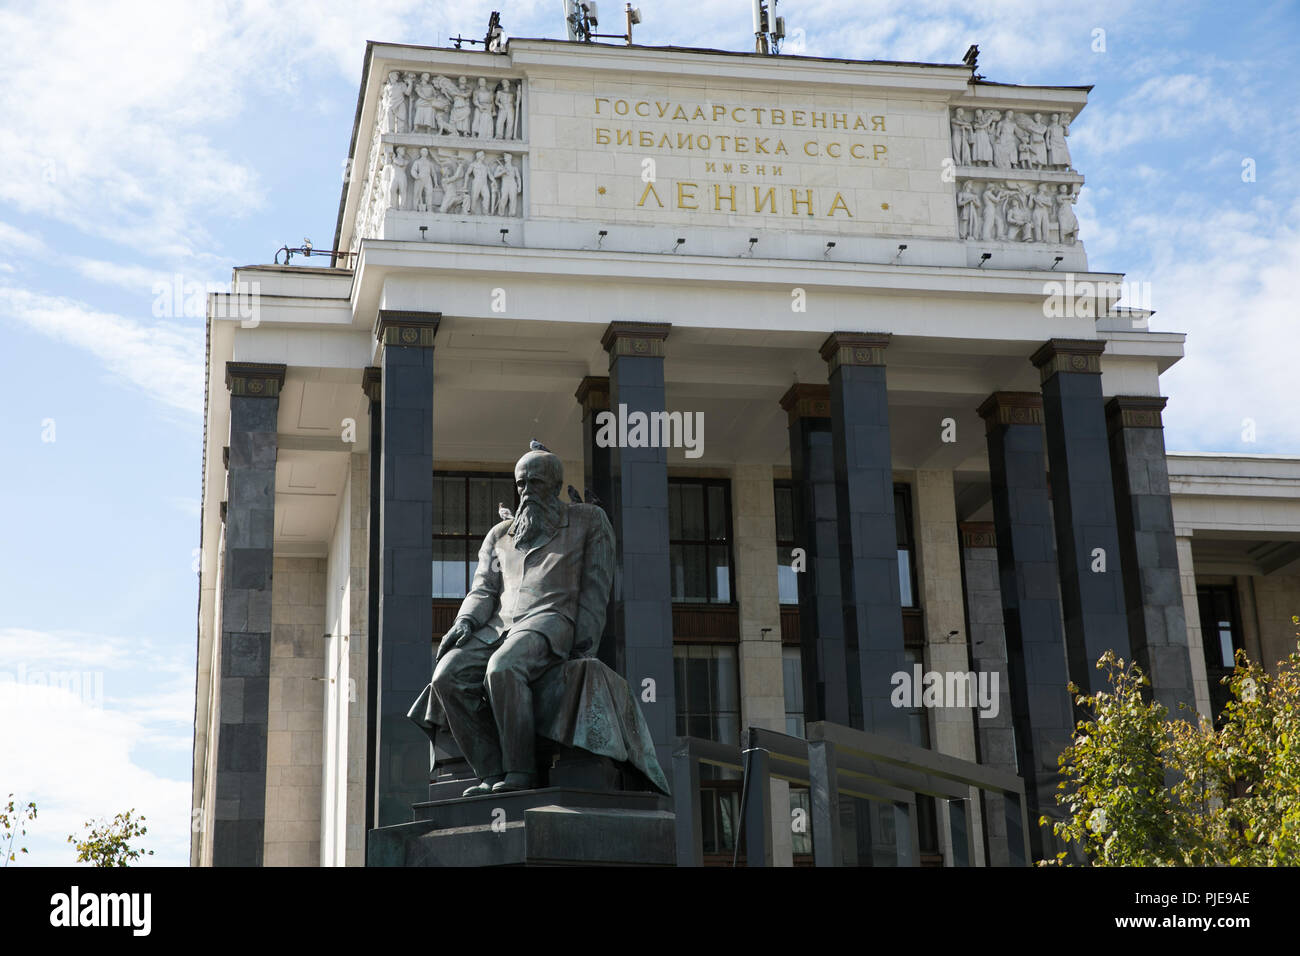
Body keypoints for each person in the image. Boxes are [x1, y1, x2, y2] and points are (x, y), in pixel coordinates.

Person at [429, 448, 615, 794]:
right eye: (521, 484)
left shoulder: (587, 520)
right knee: (447, 676)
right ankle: (490, 772)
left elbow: (596, 585)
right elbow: (483, 589)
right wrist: (465, 622)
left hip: (549, 620)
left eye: (535, 482)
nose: (526, 491)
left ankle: (521, 773)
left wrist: (585, 642)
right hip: (495, 627)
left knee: (503, 667)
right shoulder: (500, 535)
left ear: (556, 484)